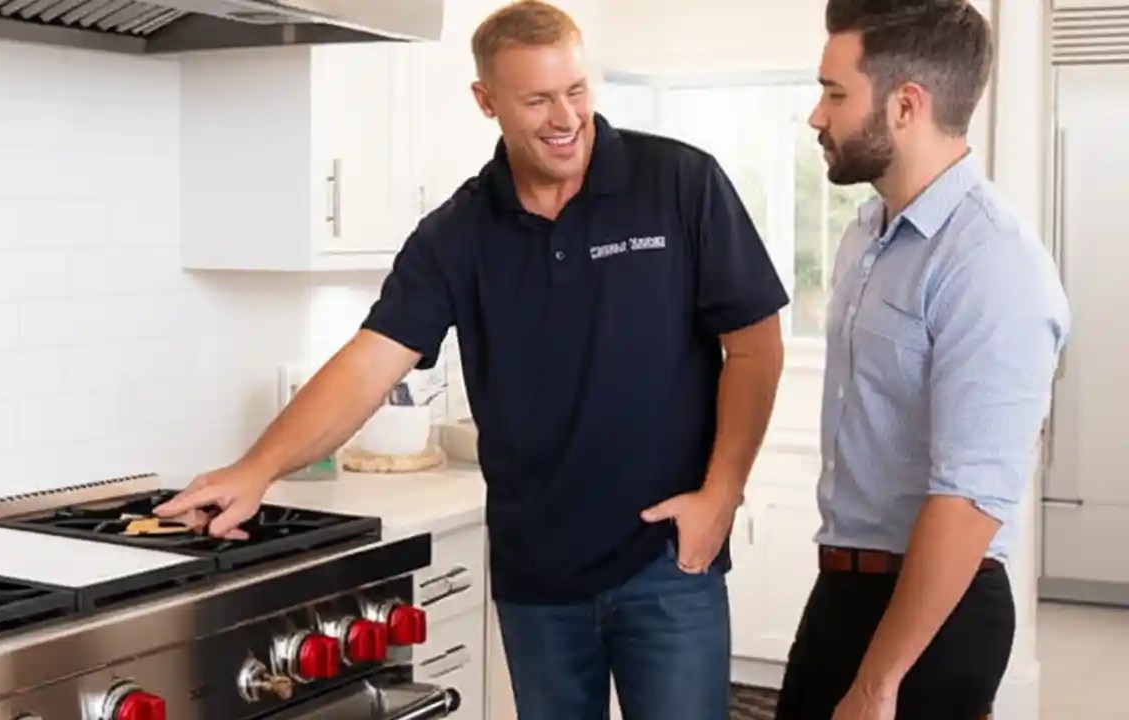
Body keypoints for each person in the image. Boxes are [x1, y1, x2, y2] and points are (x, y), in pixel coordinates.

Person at [154, 1, 788, 717]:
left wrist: (721, 494)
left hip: (667, 559)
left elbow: (754, 344)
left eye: (576, 91)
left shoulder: (679, 182)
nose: (566, 118)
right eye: (538, 100)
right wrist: (257, 468)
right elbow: (369, 363)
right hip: (538, 575)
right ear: (486, 101)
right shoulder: (457, 233)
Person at [774, 2, 1072, 719]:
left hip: (937, 614)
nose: (817, 116)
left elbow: (968, 502)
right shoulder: (867, 232)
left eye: (835, 93)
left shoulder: (992, 262)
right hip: (844, 587)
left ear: (906, 105)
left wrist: (877, 684)